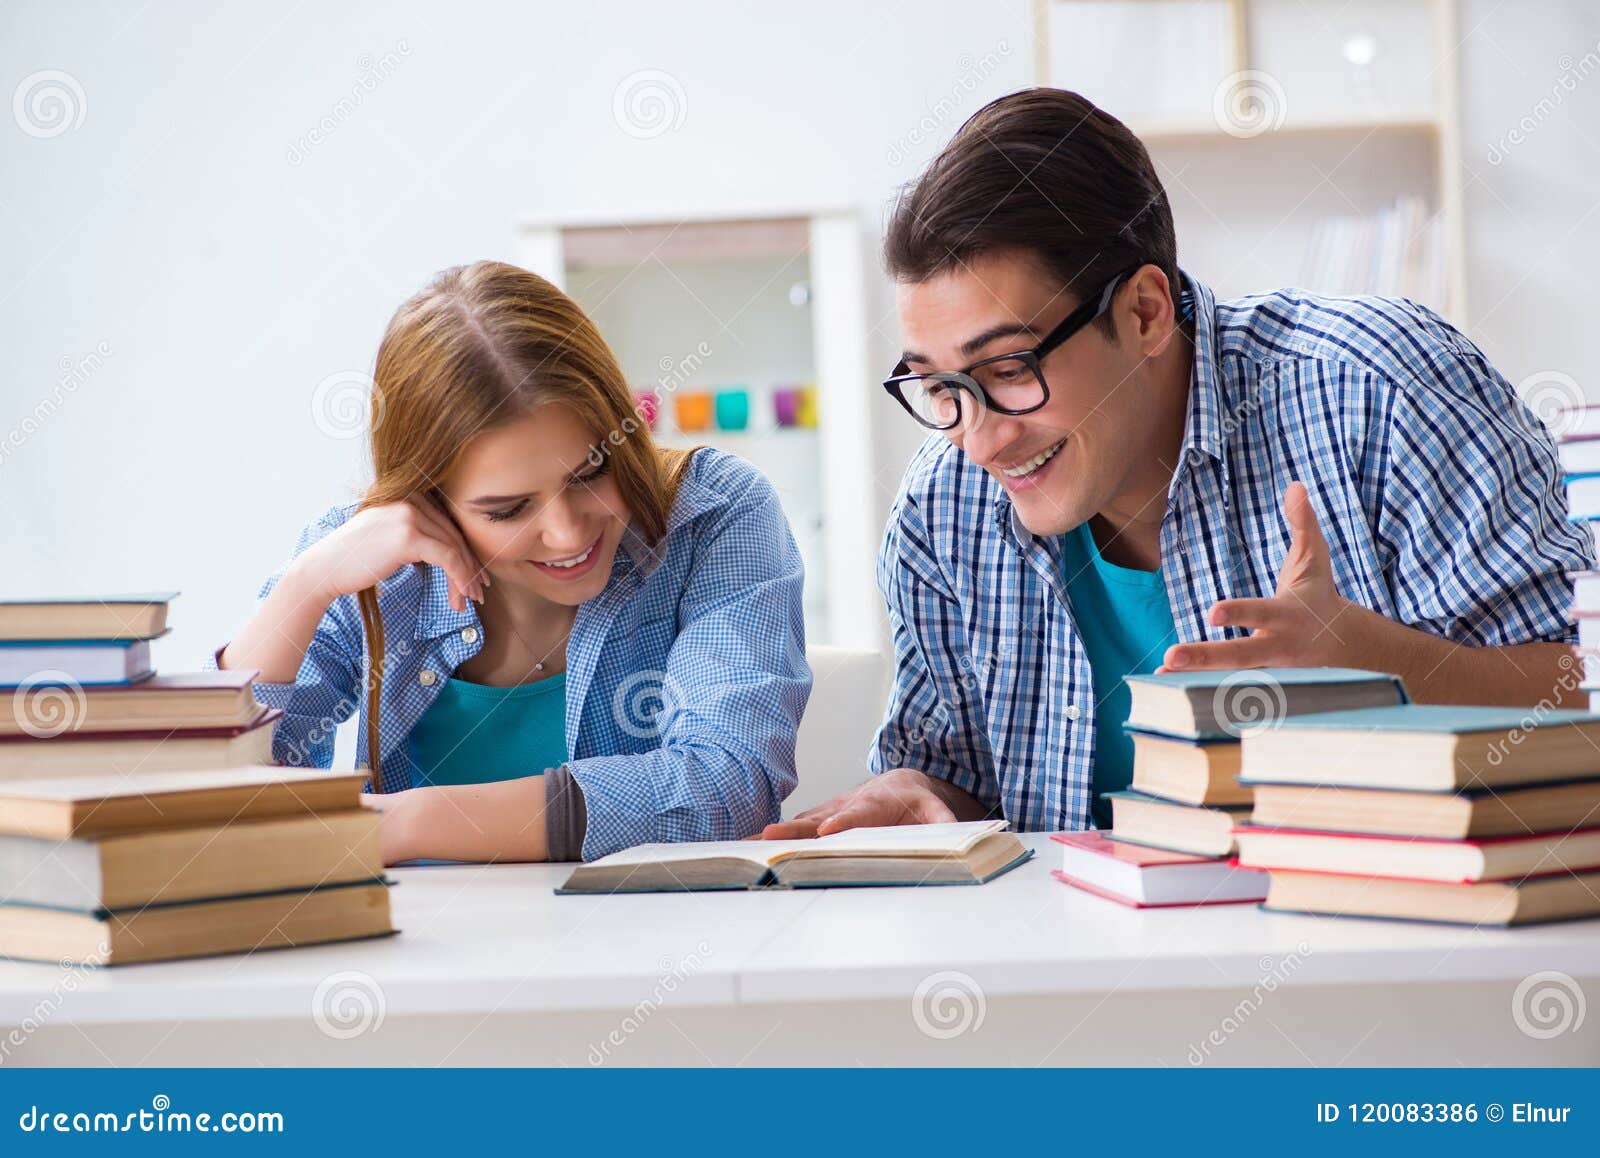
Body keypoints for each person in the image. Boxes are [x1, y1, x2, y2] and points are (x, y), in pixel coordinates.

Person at [765, 87, 1590, 841]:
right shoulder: (942, 510)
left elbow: (1583, 695)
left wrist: (1385, 666)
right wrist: (917, 792)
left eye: (1011, 369)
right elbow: (960, 779)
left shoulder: (1378, 391)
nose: (979, 441)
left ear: (1146, 312)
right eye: (939, 386)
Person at [215, 261, 810, 863]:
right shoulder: (365, 562)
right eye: (507, 509)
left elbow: (728, 785)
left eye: (591, 472)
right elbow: (219, 806)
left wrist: (404, 821)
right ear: (428, 499)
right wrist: (306, 585)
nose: (567, 533)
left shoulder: (713, 513)